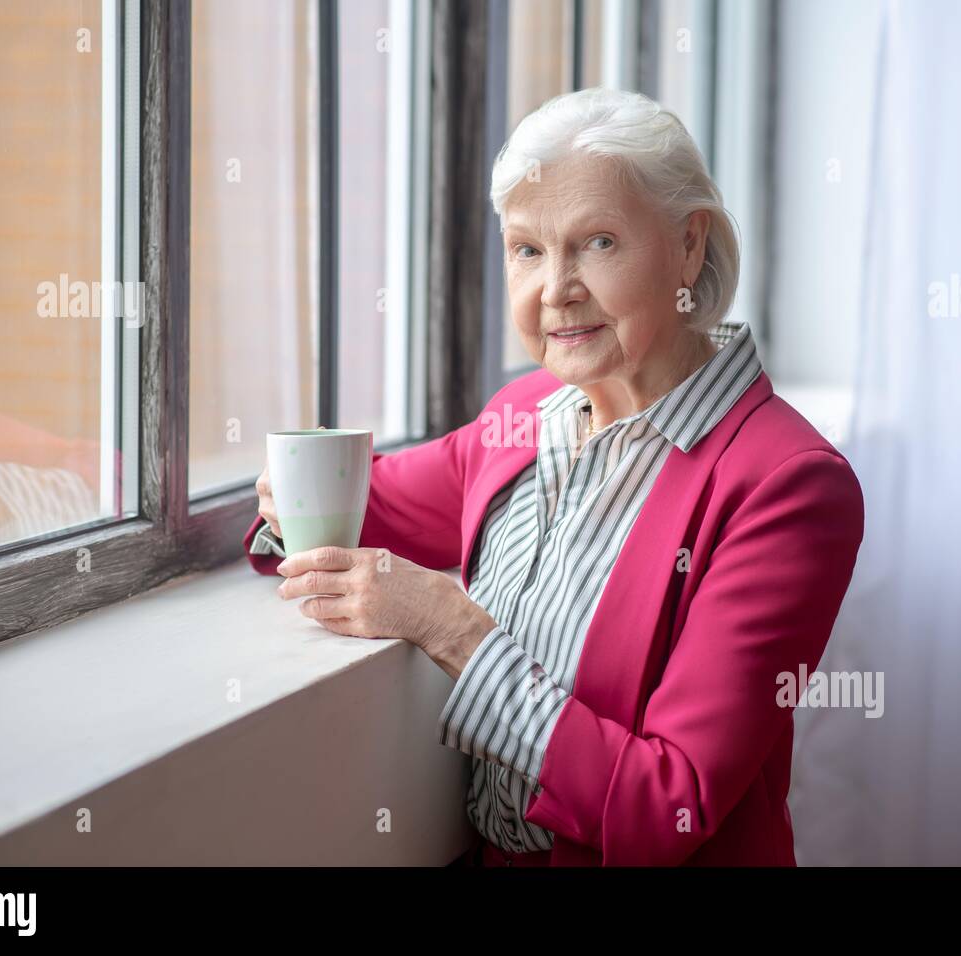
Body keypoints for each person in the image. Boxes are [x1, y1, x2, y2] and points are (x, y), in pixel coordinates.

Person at [243, 87, 864, 866]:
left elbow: (664, 805)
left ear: (688, 245)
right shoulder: (525, 413)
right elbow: (365, 503)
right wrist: (287, 488)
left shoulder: (789, 486)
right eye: (528, 250)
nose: (555, 290)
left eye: (598, 243)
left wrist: (451, 627)